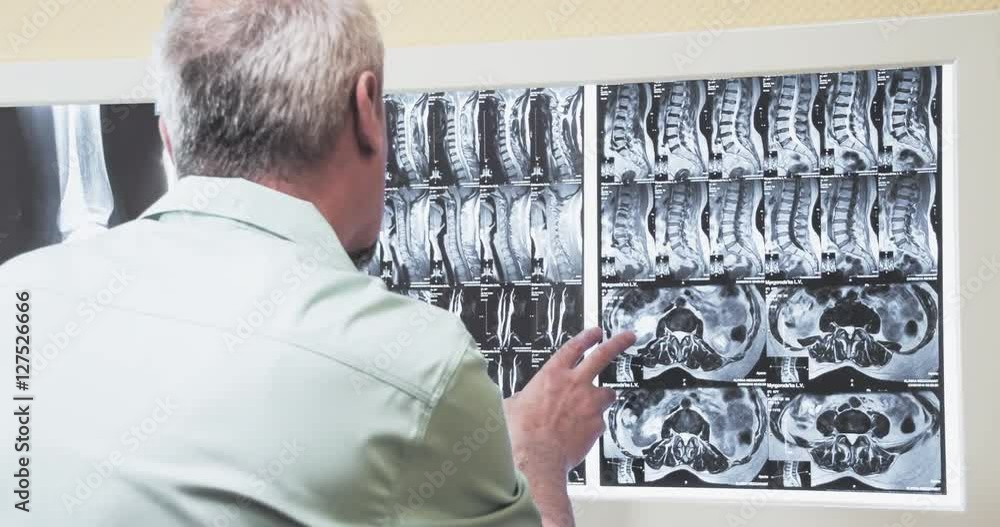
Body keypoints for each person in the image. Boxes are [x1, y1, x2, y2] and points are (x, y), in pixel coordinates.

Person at [0, 1, 635, 525]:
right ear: (367, 112)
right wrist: (539, 454)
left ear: (170, 136)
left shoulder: (15, 299)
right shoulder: (416, 363)